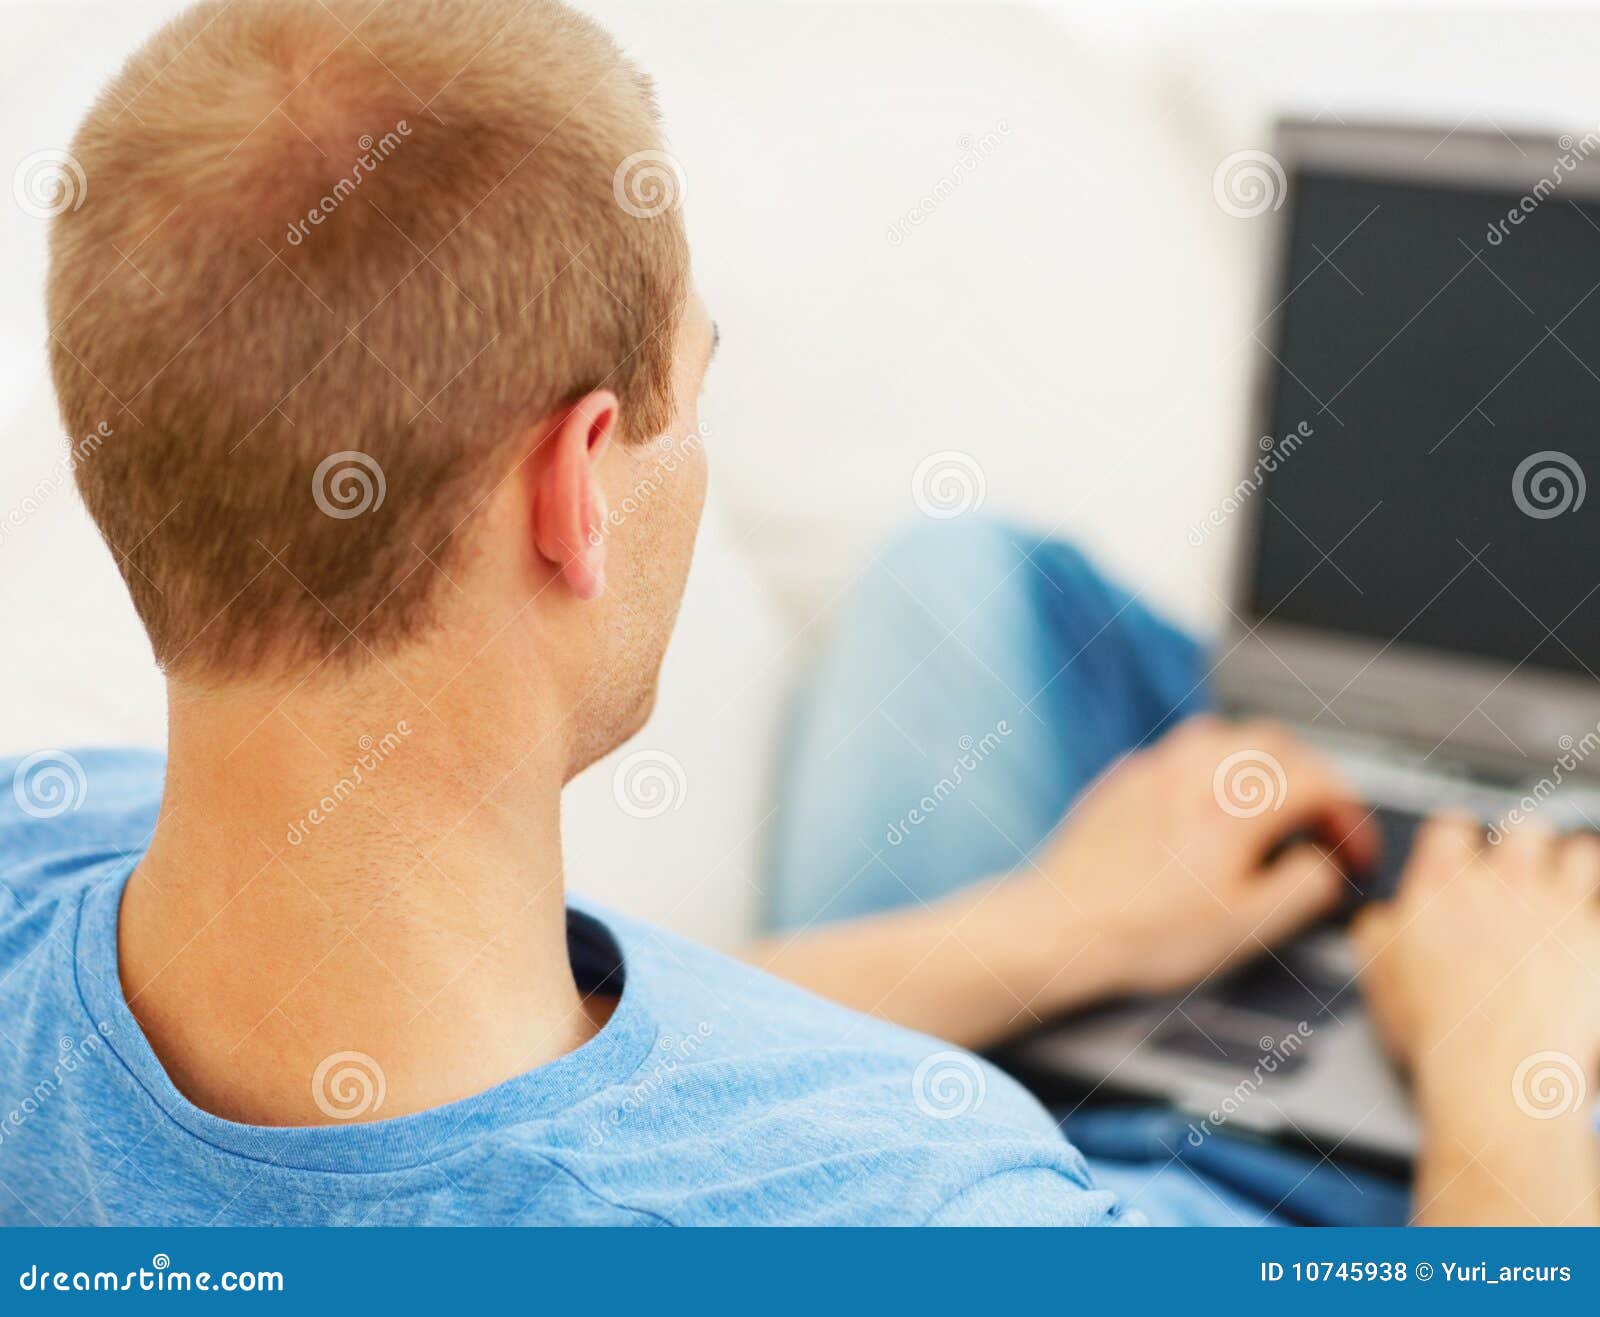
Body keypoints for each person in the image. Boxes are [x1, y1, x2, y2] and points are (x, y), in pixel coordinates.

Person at [0, 0, 1594, 1227]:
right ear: (576, 493)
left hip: (1002, 1034)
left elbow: (521, 1076)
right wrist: (1505, 1053)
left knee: (965, 584)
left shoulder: (33, 846)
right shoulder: (941, 1212)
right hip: (1282, 1184)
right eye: (691, 389)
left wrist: (1044, 934)